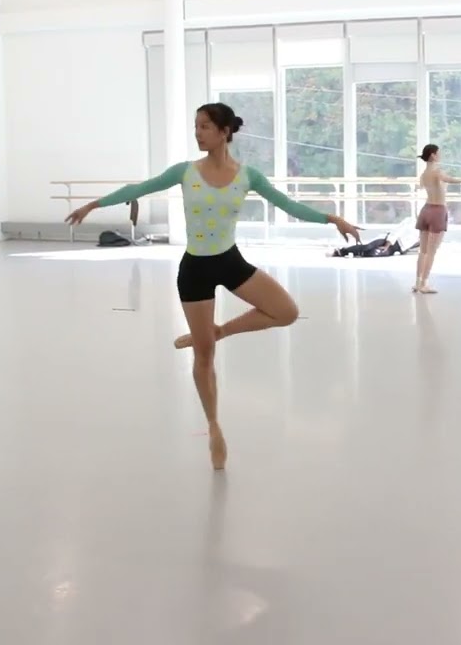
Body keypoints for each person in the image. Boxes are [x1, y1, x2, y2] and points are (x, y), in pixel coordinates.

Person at [64, 103, 361, 471]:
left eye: (204, 127)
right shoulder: (186, 172)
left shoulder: (248, 176)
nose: (197, 133)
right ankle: (214, 426)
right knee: (204, 358)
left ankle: (217, 331)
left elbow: (289, 205)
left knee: (286, 311)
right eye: (195, 126)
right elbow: (138, 187)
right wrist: (93, 204)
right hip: (195, 270)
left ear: (224, 132)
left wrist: (332, 218)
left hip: (229, 261)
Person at [413, 144, 461, 293]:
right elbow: (447, 179)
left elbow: (420, 186)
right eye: (438, 153)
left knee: (423, 251)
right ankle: (424, 283)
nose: (440, 155)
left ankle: (417, 282)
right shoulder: (436, 171)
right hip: (437, 211)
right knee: (432, 251)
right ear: (433, 155)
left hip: (426, 210)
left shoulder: (424, 174)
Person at [329, 216, 416, 258]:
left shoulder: (425, 234)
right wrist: (387, 245)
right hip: (387, 240)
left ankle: (358, 253)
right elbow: (396, 232)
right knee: (368, 246)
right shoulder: (411, 221)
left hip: (397, 249)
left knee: (373, 253)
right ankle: (342, 251)